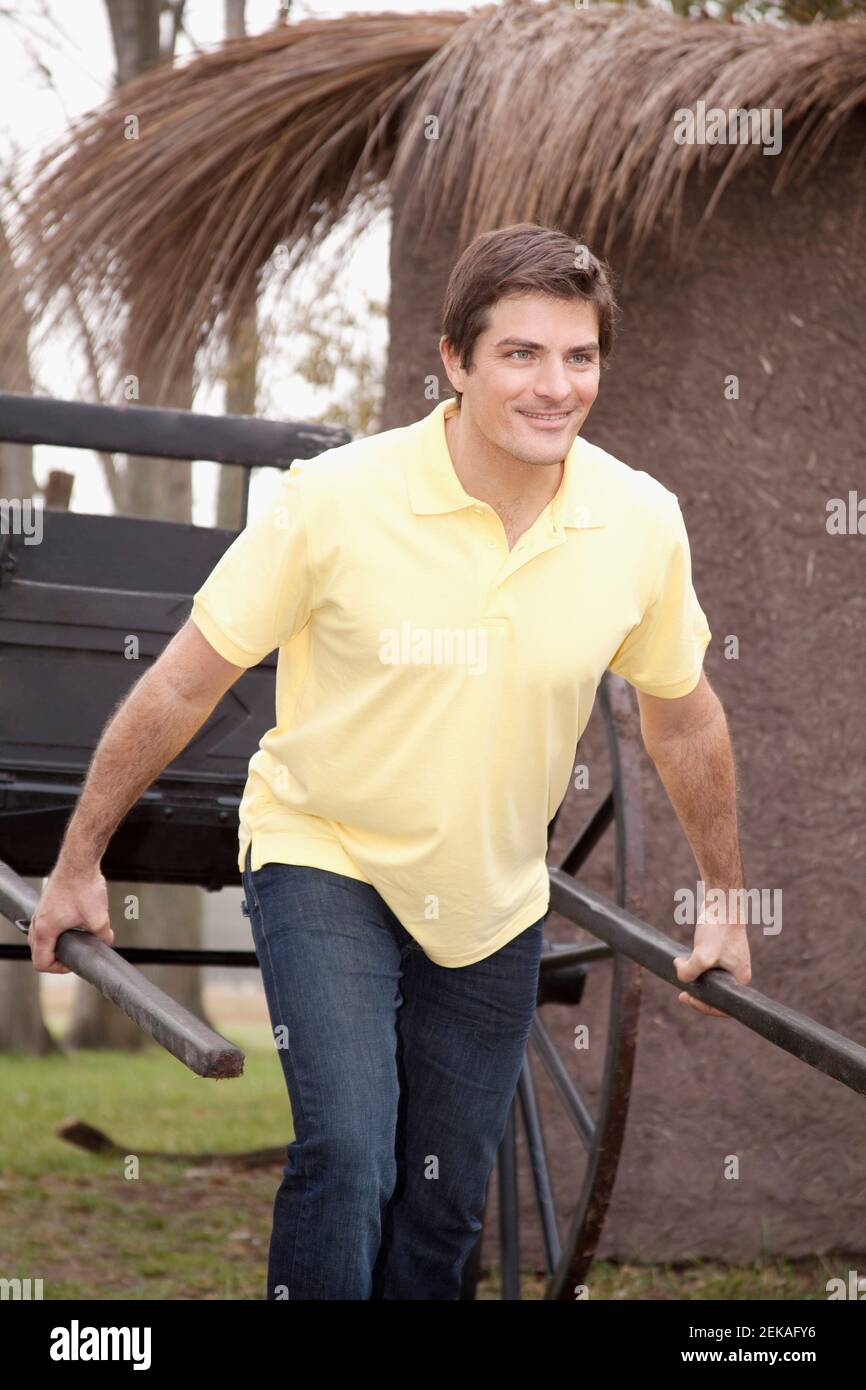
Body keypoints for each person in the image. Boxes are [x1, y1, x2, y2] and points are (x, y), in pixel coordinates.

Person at [29, 221, 750, 1300]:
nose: (555, 386)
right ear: (454, 361)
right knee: (354, 1152)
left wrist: (725, 901)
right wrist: (81, 858)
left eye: (579, 356)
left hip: (493, 894)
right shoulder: (335, 501)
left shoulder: (637, 523)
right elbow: (182, 680)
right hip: (326, 852)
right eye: (520, 354)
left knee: (446, 1195)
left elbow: (683, 719)